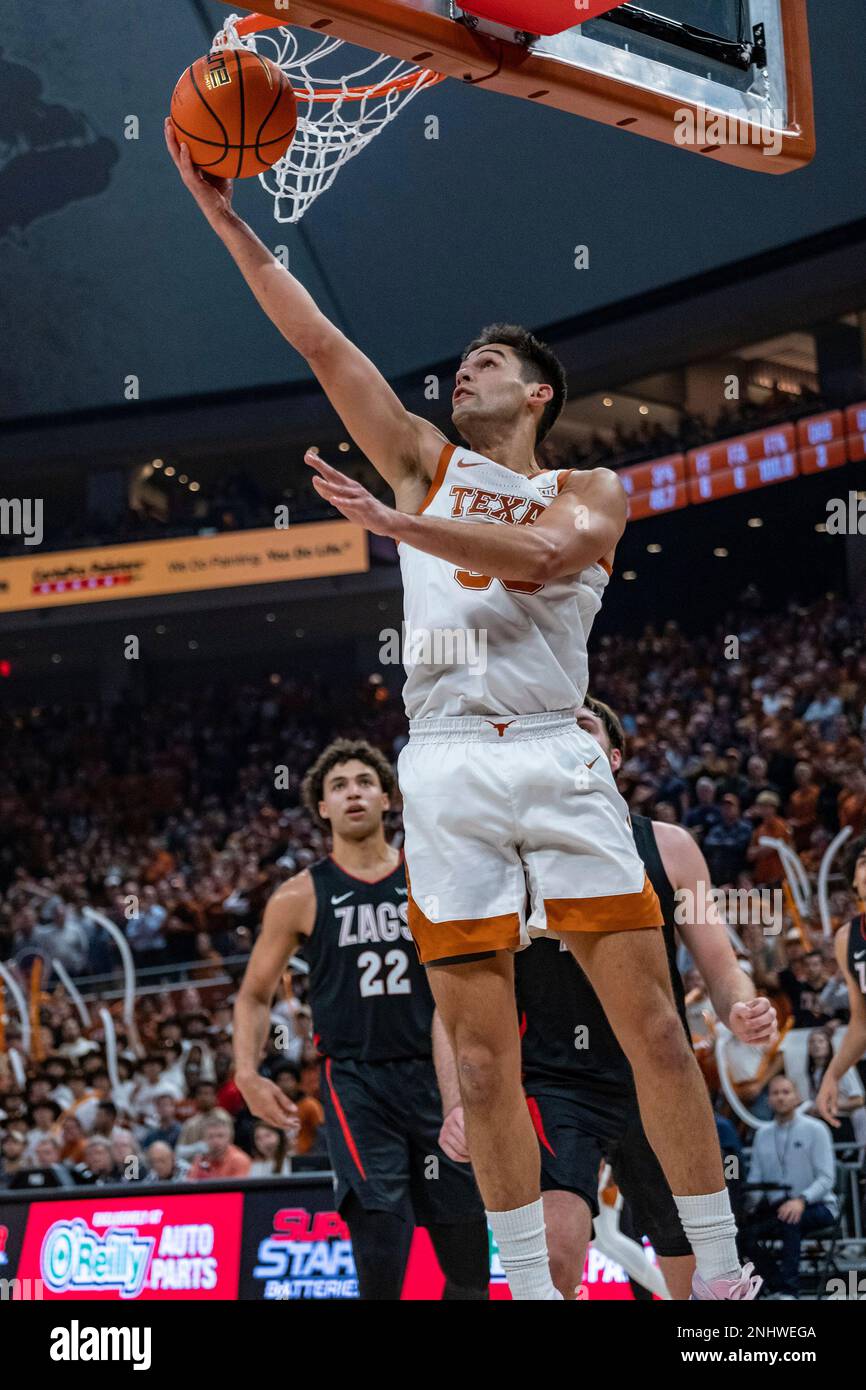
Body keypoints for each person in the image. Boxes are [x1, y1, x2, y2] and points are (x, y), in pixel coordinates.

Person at [166, 126, 759, 1301]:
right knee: (484, 1065)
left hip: (553, 748)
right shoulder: (416, 459)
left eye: (488, 364)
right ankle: (527, 1288)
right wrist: (225, 214)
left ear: (536, 392)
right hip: (438, 765)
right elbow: (318, 339)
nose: (461, 374)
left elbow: (542, 559)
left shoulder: (586, 485)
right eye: (460, 365)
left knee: (650, 1027)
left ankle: (725, 1270)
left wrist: (401, 526)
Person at [438, 699, 777, 1300]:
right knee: (554, 1249)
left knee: (691, 1275)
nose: (567, 736)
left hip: (655, 1071)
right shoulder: (503, 857)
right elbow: (457, 1009)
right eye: (554, 729)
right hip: (553, 1081)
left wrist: (742, 1007)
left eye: (585, 726)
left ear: (613, 757)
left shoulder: (670, 847)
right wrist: (457, 1103)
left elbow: (721, 966)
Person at [234, 740, 490, 1301]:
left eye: (364, 781)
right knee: (381, 1236)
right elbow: (253, 995)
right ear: (322, 807)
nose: (353, 791)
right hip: (356, 1079)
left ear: (387, 797)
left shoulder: (428, 876)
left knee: (469, 1268)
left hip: (436, 1075)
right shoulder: (299, 895)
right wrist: (248, 1075)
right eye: (339, 785)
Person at [742, 1075, 838, 1299]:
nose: (781, 1097)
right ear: (769, 1100)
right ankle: (775, 1285)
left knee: (790, 1218)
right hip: (779, 1206)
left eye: (786, 1092)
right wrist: (744, 1209)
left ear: (796, 1097)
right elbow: (756, 1179)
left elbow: (826, 1178)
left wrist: (801, 1200)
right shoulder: (762, 1135)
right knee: (743, 1233)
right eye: (775, 1093)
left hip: (818, 1205)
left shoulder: (816, 1129)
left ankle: (789, 1291)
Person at [817, 835, 866, 1126]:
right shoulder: (847, 939)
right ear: (855, 883)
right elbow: (861, 1022)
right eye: (863, 863)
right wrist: (833, 1075)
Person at [187, 1117, 251, 1181]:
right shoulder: (200, 1159)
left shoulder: (239, 1160)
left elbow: (239, 1189)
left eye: (220, 1136)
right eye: (210, 1137)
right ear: (204, 1140)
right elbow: (191, 1186)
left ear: (229, 1138)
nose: (215, 1141)